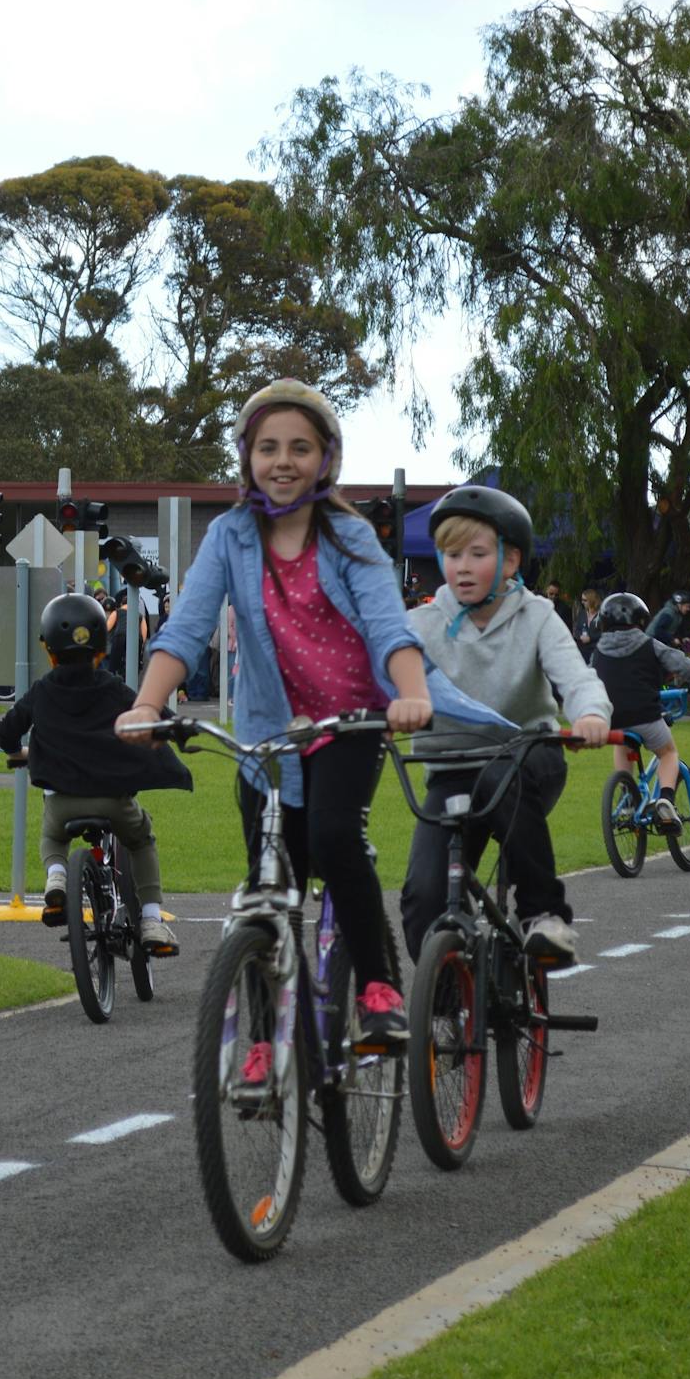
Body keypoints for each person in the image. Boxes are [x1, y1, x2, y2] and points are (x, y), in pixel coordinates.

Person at [118, 378, 497, 1047]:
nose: (283, 461)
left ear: (327, 458)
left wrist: (410, 695)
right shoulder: (230, 536)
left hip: (348, 724)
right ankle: (262, 1047)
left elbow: (390, 632)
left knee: (330, 838)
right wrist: (149, 704)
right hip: (270, 735)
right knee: (270, 888)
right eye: (268, 447)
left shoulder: (349, 538)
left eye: (300, 447)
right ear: (247, 457)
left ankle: (378, 990)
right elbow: (186, 628)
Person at [400, 486, 612, 968]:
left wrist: (591, 715)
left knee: (500, 772)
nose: (463, 567)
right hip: (452, 768)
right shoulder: (420, 625)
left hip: (527, 755)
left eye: (478, 554)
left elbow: (575, 675)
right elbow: (376, 677)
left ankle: (543, 916)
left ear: (511, 560)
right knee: (423, 900)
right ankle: (451, 1001)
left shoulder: (537, 616)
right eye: (452, 555)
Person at [5, 593, 193, 957]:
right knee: (141, 840)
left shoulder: (42, 691)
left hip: (62, 803)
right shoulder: (112, 687)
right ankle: (152, 918)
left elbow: (7, 731)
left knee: (51, 836)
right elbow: (146, 717)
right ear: (101, 648)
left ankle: (56, 877)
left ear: (49, 649)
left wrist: (17, 752)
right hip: (113, 800)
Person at [589, 593, 690, 831]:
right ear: (641, 620)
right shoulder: (649, 644)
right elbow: (681, 664)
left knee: (623, 745)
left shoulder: (597, 652)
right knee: (668, 753)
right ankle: (665, 798)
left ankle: (627, 797)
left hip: (612, 719)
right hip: (645, 715)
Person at [572, 588, 603, 665]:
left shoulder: (601, 615)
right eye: (582, 600)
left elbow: (604, 633)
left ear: (592, 600)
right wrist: (580, 636)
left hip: (596, 651)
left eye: (585, 600)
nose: (582, 602)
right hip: (582, 651)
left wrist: (591, 638)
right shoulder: (582, 614)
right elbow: (577, 630)